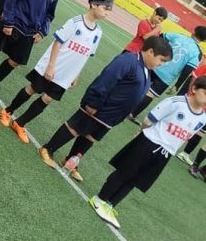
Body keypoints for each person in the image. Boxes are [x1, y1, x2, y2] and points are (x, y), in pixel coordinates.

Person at [0, 0, 114, 170]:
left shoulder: (98, 32)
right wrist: (51, 66)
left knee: (47, 99)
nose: (108, 12)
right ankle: (7, 111)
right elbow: (58, 42)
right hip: (52, 67)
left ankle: (20, 123)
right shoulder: (75, 22)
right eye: (106, 8)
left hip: (66, 76)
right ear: (93, 4)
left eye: (110, 10)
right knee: (33, 89)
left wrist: (76, 74)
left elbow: (86, 55)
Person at [37, 35, 172, 172]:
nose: (161, 64)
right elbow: (106, 80)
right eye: (161, 60)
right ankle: (48, 148)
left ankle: (70, 160)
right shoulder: (128, 60)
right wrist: (94, 102)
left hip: (112, 115)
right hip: (100, 107)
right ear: (150, 52)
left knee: (91, 136)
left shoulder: (147, 71)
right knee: (76, 127)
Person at [90, 75, 206, 229]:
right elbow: (149, 120)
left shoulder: (203, 118)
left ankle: (110, 205)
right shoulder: (176, 103)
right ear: (193, 89)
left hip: (166, 152)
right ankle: (99, 199)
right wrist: (141, 133)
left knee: (136, 180)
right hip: (149, 142)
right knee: (125, 172)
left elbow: (187, 135)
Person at [129, 26, 206, 121]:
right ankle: (133, 114)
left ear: (193, 31)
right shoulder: (197, 53)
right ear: (204, 40)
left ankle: (124, 104)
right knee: (151, 94)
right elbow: (188, 69)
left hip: (155, 65)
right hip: (167, 77)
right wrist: (177, 85)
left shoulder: (179, 36)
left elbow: (161, 36)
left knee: (138, 84)